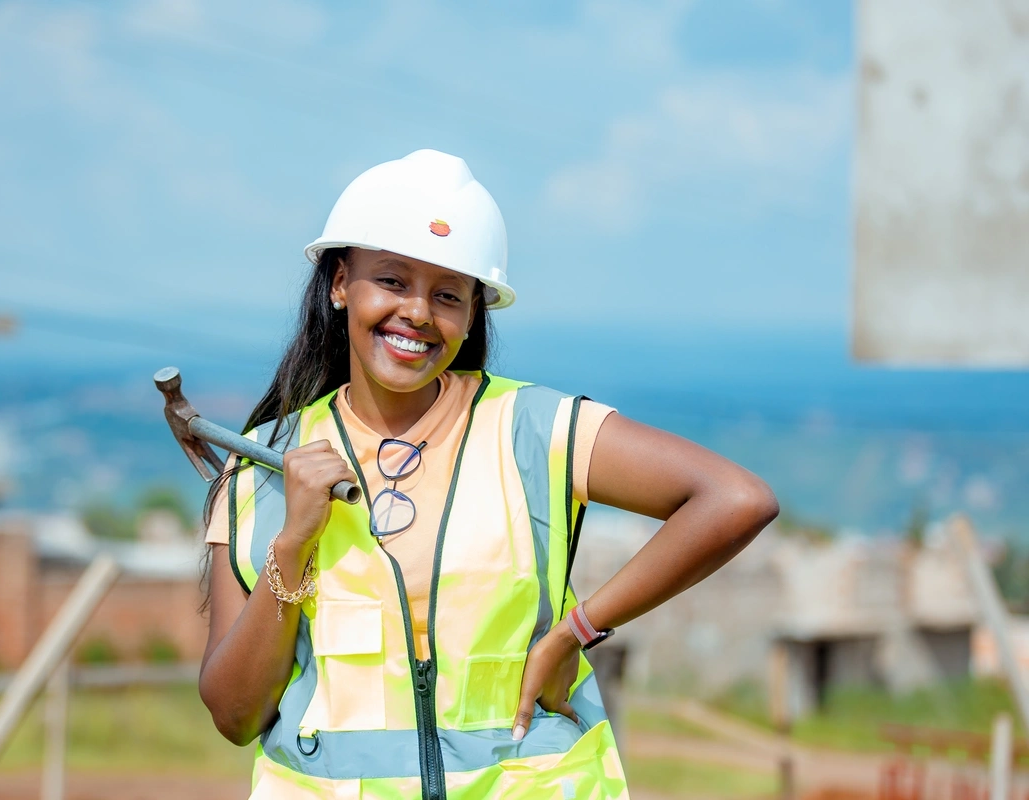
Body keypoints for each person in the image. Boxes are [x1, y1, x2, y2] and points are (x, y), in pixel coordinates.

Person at [199, 149, 778, 799]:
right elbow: (235, 715)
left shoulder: (533, 428)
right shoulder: (261, 465)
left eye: (447, 294)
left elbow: (736, 499)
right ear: (340, 283)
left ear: (474, 312)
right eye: (392, 281)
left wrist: (575, 632)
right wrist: (292, 545)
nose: (418, 312)